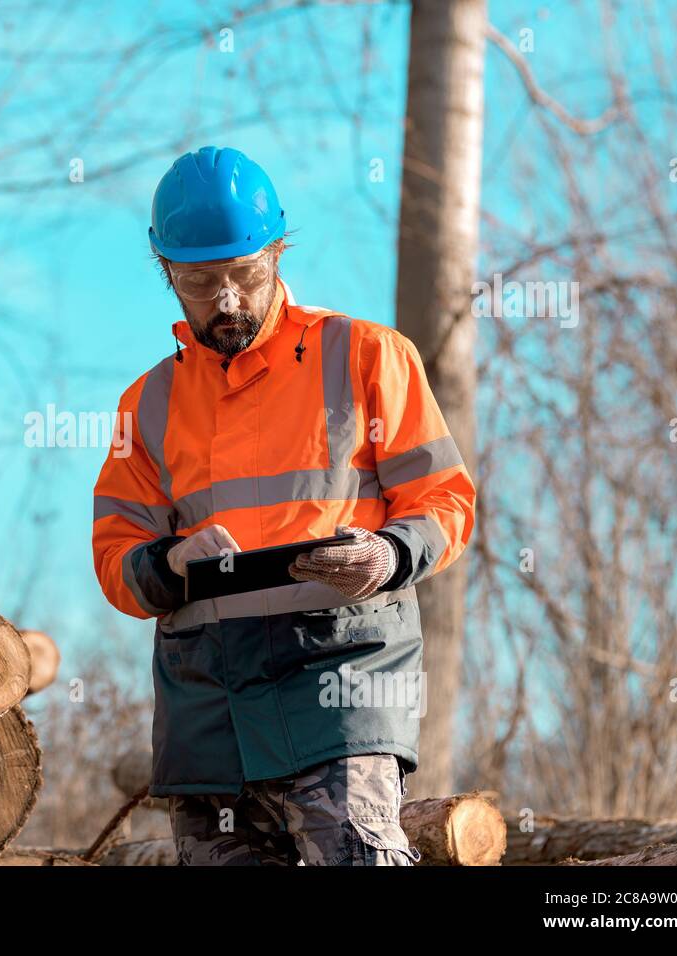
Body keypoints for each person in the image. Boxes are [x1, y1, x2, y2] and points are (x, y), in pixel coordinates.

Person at [91, 146, 477, 865]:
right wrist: (170, 559)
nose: (228, 300)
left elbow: (445, 499)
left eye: (246, 274)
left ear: (279, 252)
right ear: (166, 271)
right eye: (202, 283)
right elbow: (115, 559)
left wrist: (389, 555)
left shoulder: (366, 356)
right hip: (208, 712)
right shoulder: (144, 406)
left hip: (342, 686)